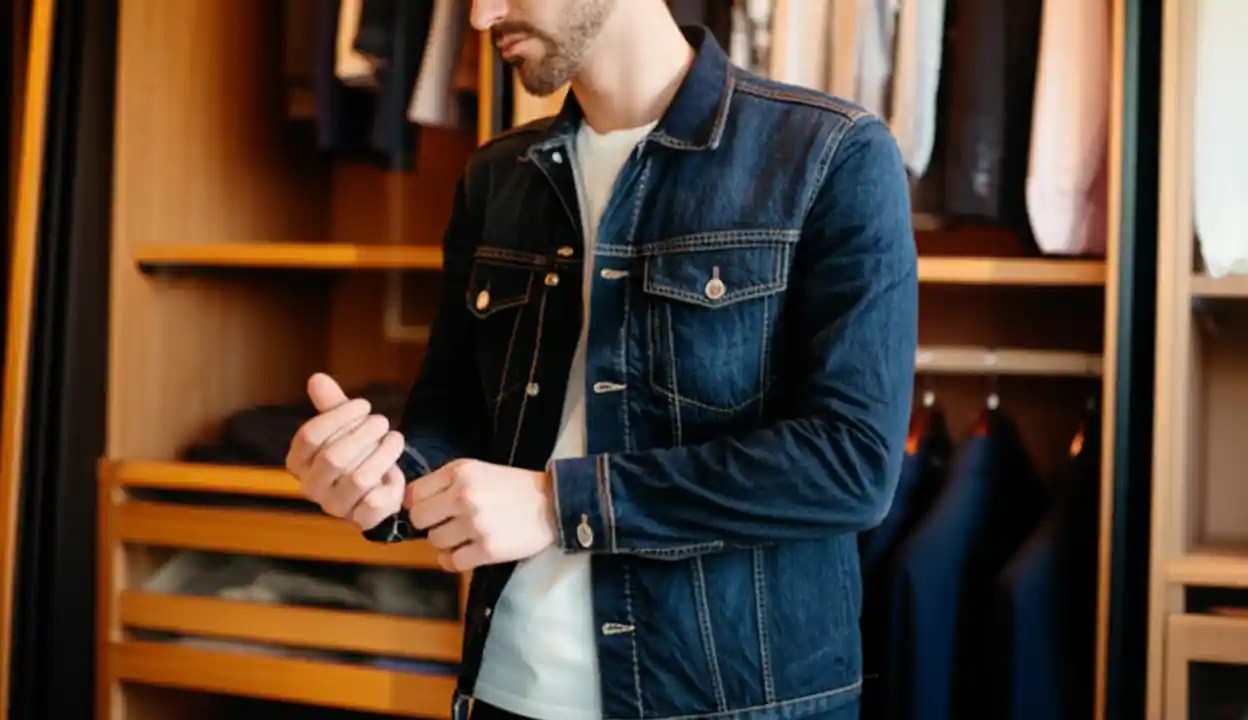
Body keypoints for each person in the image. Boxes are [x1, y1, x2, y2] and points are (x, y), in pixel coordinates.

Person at [284, 1, 918, 718]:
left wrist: (560, 505)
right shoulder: (496, 177)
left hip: (724, 703)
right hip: (505, 694)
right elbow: (452, 421)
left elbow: (851, 465)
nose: (480, 16)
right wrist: (380, 481)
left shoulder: (831, 153)